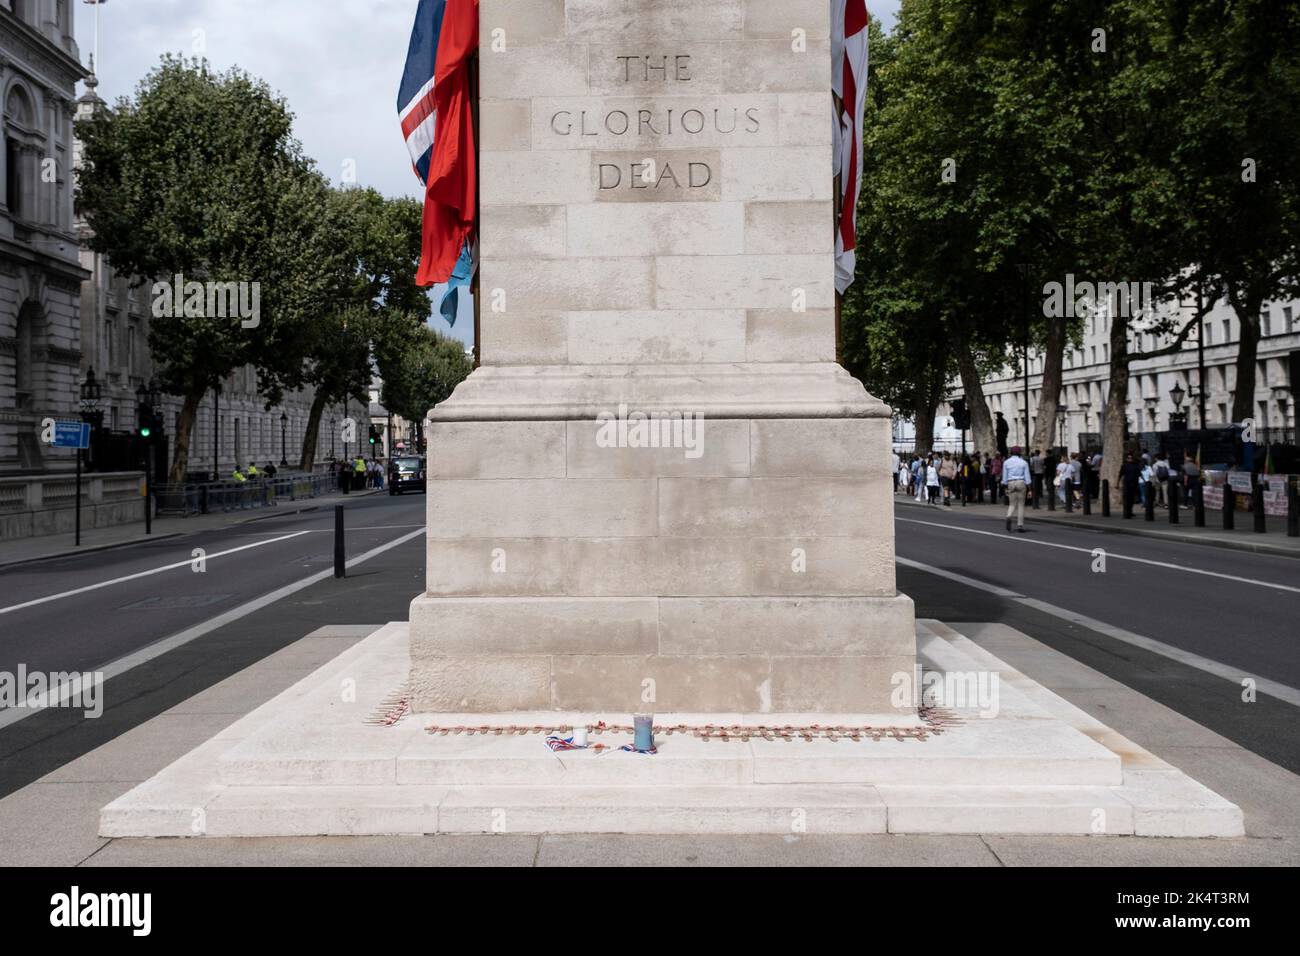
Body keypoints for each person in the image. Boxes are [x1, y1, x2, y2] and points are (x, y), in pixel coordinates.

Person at [1002, 446, 1031, 532]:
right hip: (1021, 482)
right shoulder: (1024, 462)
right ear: (1019, 453)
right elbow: (1027, 477)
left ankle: (1009, 516)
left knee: (1012, 504)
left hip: (1011, 482)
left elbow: (1004, 477)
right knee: (1021, 505)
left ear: (1011, 452)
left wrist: (1005, 487)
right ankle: (1020, 525)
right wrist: (1029, 489)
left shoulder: (1006, 462)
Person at [1119, 452, 1143, 518]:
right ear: (1126, 459)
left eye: (1131, 458)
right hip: (1127, 484)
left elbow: (1140, 474)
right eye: (1129, 458)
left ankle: (1130, 512)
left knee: (1132, 499)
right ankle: (1126, 513)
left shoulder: (1135, 466)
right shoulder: (1124, 466)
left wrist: (1145, 481)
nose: (1130, 459)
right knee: (1127, 499)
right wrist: (1117, 483)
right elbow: (1120, 475)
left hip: (1134, 484)